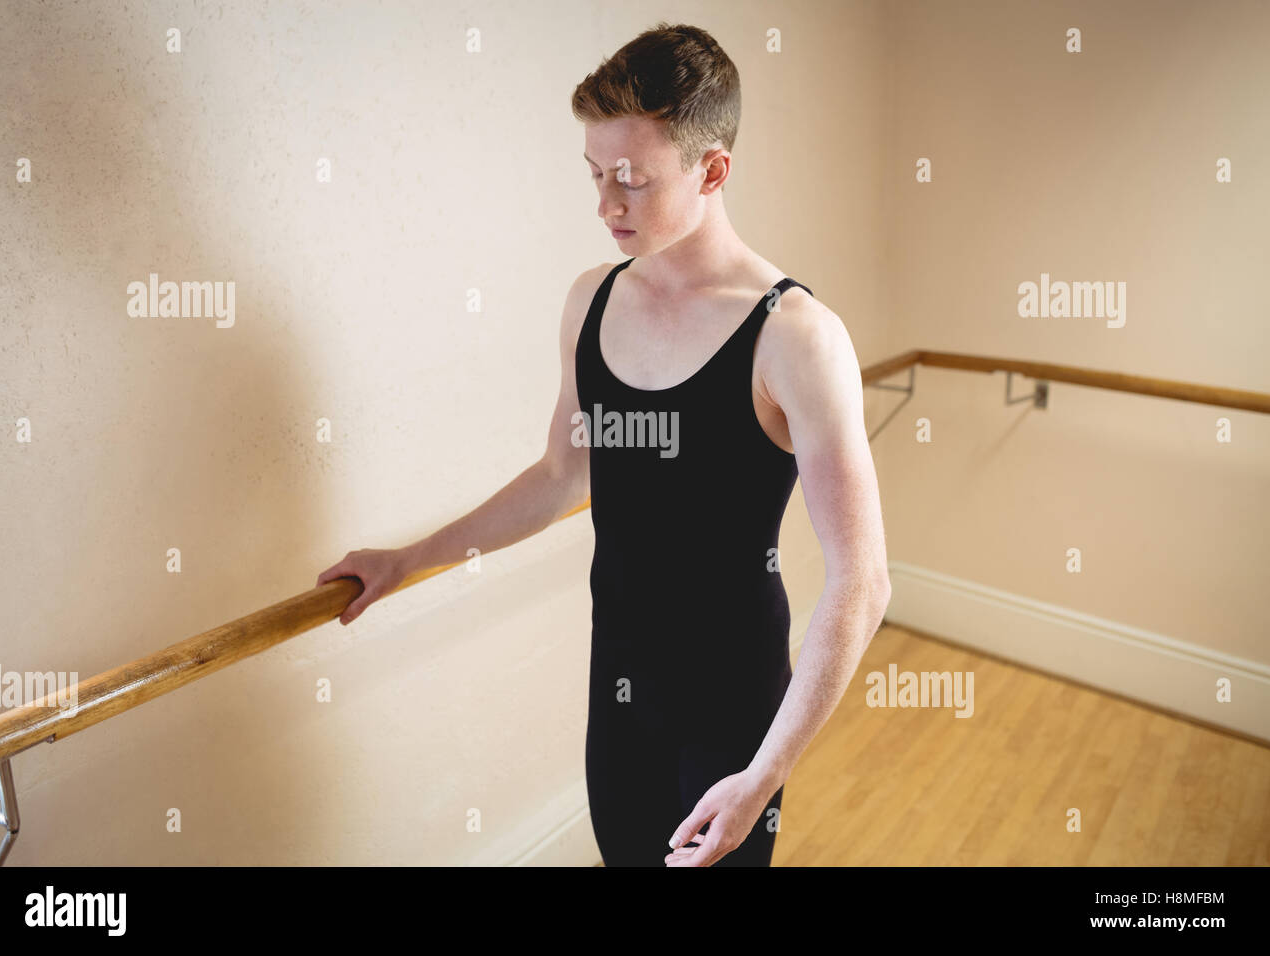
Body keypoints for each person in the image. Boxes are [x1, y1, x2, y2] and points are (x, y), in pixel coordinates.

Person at [317, 22, 891, 867]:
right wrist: (410, 559)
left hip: (735, 711)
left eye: (631, 179)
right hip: (619, 686)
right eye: (594, 174)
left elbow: (862, 580)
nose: (606, 204)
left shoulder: (796, 338)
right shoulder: (592, 301)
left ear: (713, 169)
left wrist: (764, 775)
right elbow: (562, 475)